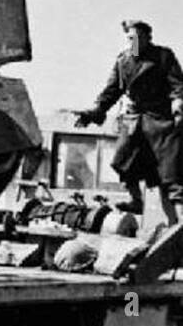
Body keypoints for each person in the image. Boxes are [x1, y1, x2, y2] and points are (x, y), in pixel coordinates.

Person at [75, 20, 183, 224]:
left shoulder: (163, 56)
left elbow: (177, 84)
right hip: (134, 121)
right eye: (130, 38)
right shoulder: (123, 61)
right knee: (122, 162)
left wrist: (178, 103)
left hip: (161, 123)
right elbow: (112, 90)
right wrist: (95, 111)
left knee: (170, 176)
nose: (134, 42)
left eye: (138, 38)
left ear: (148, 39)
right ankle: (136, 200)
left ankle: (179, 222)